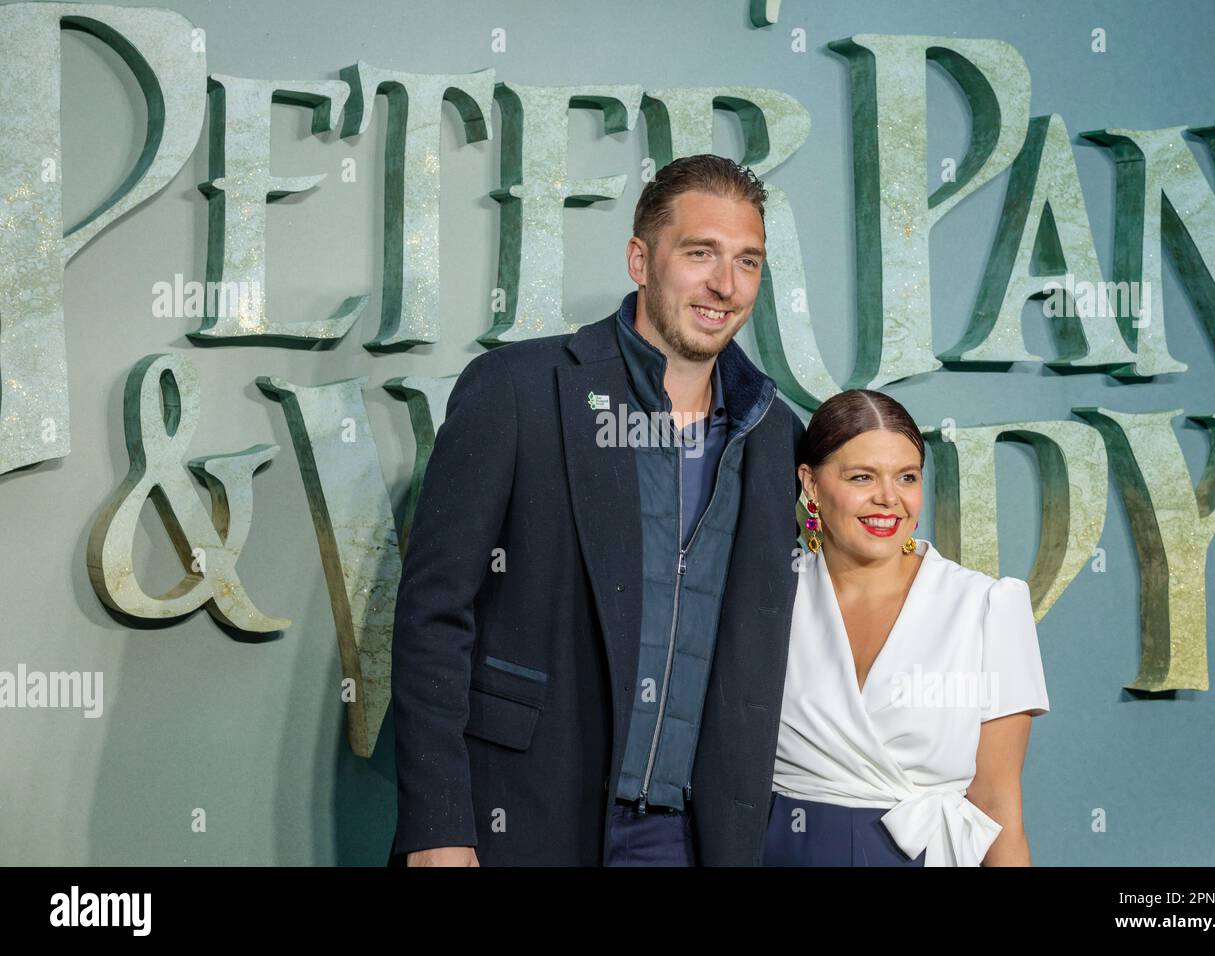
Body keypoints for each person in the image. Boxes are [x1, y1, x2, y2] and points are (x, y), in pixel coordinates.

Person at [389, 154, 805, 866]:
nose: (725, 285)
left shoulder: (774, 434)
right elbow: (432, 614)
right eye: (699, 253)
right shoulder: (517, 390)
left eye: (748, 262)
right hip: (519, 814)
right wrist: (438, 823)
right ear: (640, 260)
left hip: (687, 839)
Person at [763, 389, 1050, 867]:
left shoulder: (986, 606)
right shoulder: (769, 597)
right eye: (861, 477)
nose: (888, 499)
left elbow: (998, 805)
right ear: (810, 485)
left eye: (907, 477)